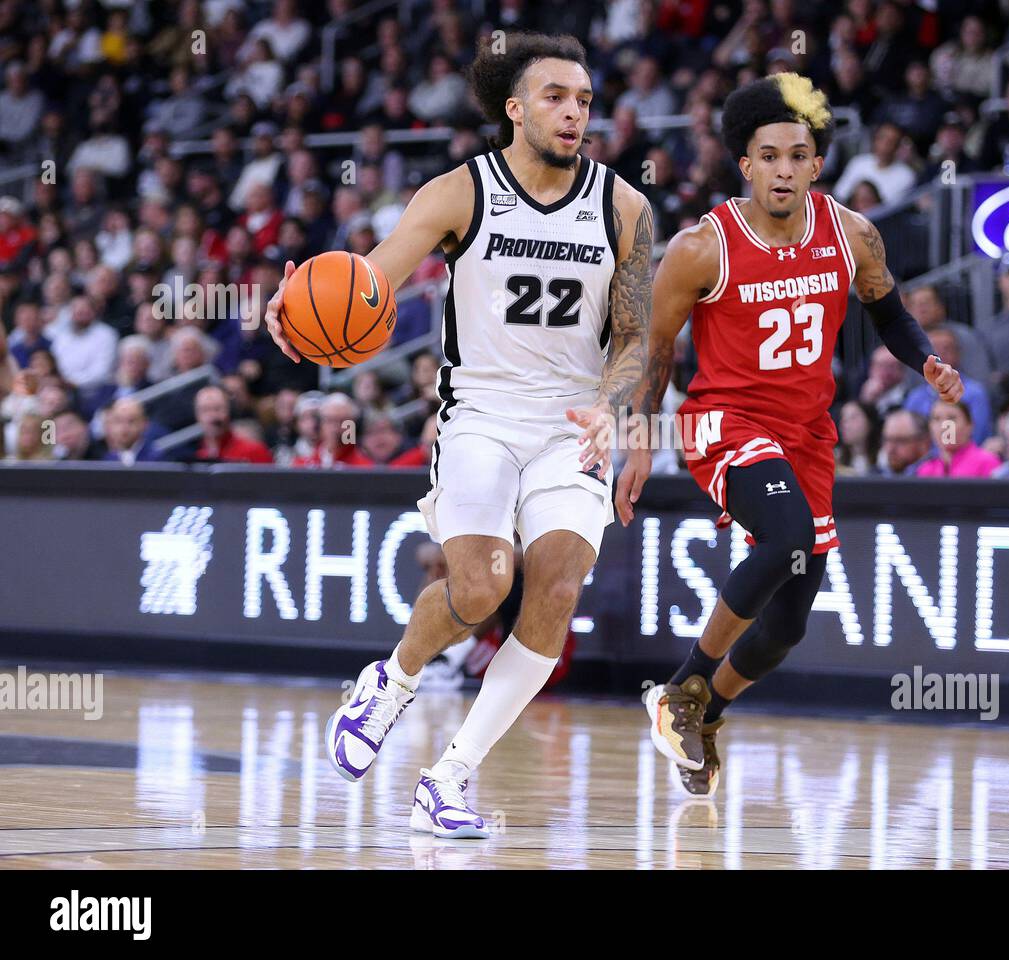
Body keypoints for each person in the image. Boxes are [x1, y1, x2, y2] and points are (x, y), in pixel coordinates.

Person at [265, 32, 650, 838]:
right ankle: (392, 682)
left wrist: (615, 405)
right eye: (555, 97)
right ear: (515, 109)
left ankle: (451, 776)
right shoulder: (459, 192)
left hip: (569, 423)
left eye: (583, 100)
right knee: (481, 589)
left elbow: (636, 336)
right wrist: (300, 299)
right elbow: (371, 279)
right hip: (478, 414)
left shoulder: (625, 206)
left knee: (553, 594)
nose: (574, 112)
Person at [616, 73, 960, 797]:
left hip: (807, 433)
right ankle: (680, 689)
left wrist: (925, 358)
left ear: (815, 163)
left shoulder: (851, 232)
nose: (781, 168)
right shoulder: (701, 247)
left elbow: (887, 311)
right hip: (723, 421)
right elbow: (658, 346)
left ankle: (707, 711)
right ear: (745, 164)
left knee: (787, 627)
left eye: (795, 155)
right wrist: (642, 439)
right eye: (767, 155)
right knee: (786, 538)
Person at [916, 399, 998, 477]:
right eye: (937, 419)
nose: (944, 427)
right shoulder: (926, 469)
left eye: (951, 418)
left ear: (970, 425)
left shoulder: (987, 463)